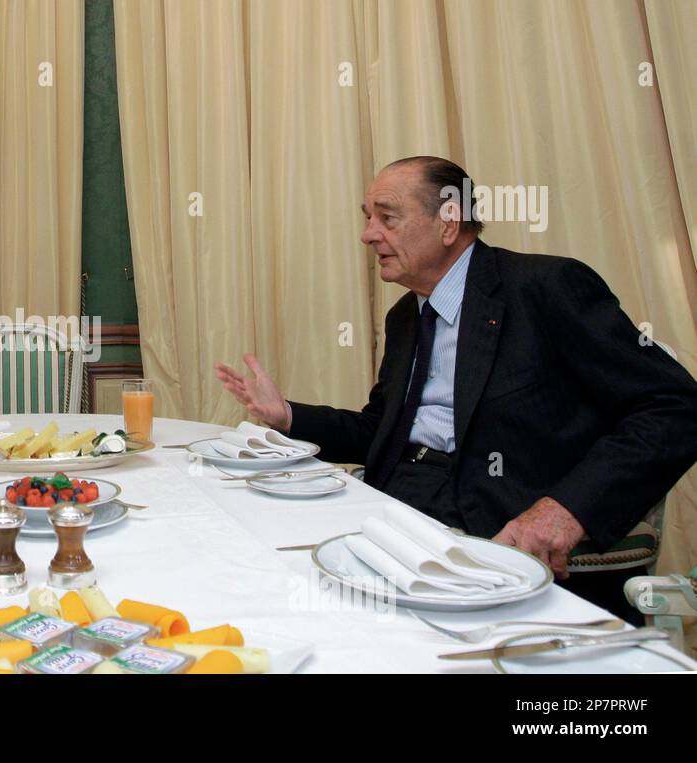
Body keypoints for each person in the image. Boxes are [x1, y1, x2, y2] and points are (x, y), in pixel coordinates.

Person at [215, 156, 697, 618]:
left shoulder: (546, 286)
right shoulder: (406, 315)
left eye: (387, 217)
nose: (368, 235)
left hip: (493, 517)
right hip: (394, 503)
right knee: (253, 555)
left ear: (449, 222)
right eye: (368, 218)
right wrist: (288, 417)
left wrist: (564, 512)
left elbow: (675, 407)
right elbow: (380, 431)